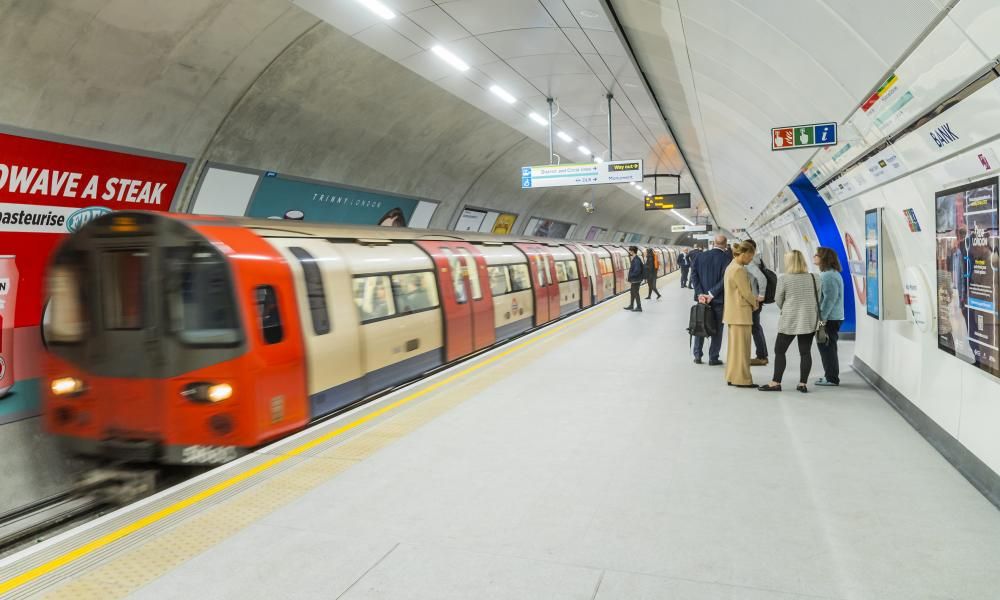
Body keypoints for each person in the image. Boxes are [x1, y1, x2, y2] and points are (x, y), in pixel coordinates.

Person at [759, 250, 821, 393]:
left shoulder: (784, 279)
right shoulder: (815, 278)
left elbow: (779, 299)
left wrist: (788, 307)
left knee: (780, 350)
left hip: (790, 320)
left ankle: (776, 382)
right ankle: (802, 384)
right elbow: (819, 296)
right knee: (805, 352)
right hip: (808, 319)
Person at [690, 235, 732, 364]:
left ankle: (697, 355)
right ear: (725, 244)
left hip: (701, 300)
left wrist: (700, 293)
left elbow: (694, 275)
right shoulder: (727, 259)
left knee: (699, 325)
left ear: (713, 243)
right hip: (718, 299)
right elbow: (725, 279)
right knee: (717, 329)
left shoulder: (700, 256)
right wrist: (711, 293)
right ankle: (713, 357)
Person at [723, 242, 759, 387]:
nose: (751, 260)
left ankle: (732, 376)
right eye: (750, 256)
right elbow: (746, 292)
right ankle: (742, 379)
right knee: (742, 350)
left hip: (733, 313)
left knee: (734, 350)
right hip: (741, 314)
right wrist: (754, 303)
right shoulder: (739, 270)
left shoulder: (730, 267)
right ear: (744, 254)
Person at [814, 247, 845, 386]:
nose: (814, 257)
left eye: (817, 255)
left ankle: (832, 378)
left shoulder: (828, 276)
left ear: (824, 258)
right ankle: (830, 376)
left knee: (826, 346)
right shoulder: (832, 274)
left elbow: (829, 299)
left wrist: (821, 319)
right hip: (832, 317)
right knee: (828, 346)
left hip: (828, 319)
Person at [744, 240, 769, 366]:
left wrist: (761, 295)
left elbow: (762, 278)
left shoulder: (750, 263)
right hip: (754, 299)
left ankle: (761, 356)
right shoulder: (757, 260)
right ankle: (762, 355)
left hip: (753, 300)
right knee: (756, 328)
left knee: (755, 328)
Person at [624, 246, 644, 312]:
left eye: (629, 251)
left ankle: (639, 307)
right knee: (632, 292)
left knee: (635, 293)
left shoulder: (636, 260)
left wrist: (630, 276)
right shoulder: (636, 259)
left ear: (632, 251)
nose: (629, 252)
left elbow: (637, 271)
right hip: (635, 279)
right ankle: (631, 305)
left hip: (636, 280)